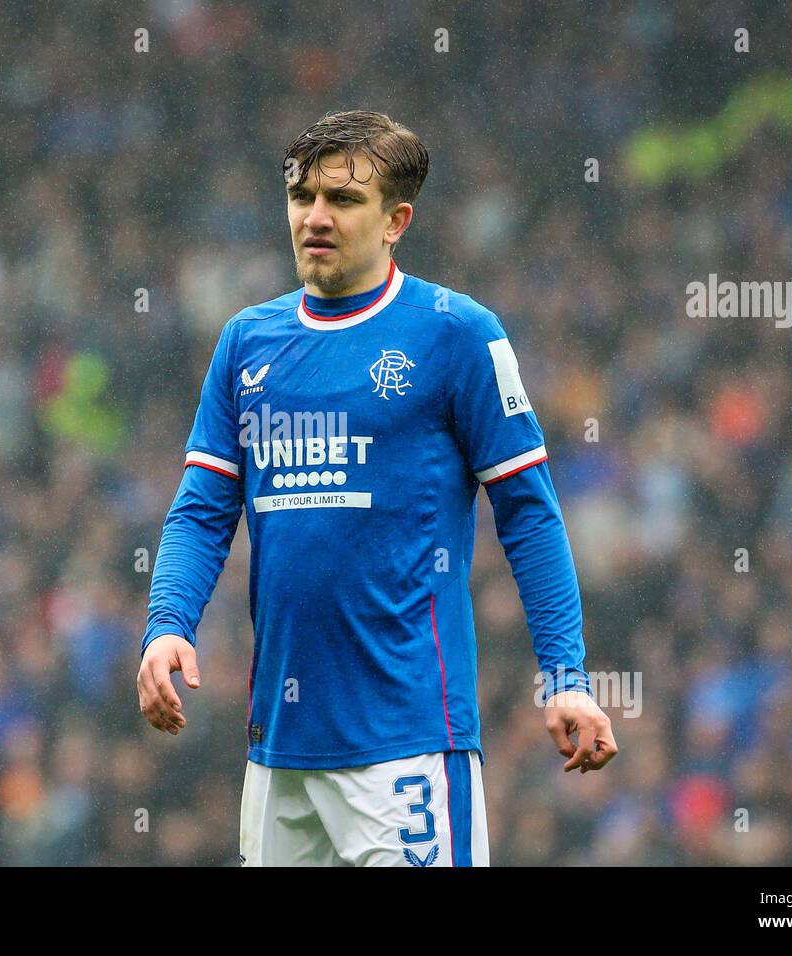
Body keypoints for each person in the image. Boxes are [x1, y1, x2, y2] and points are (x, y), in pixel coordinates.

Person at [137, 110, 617, 866]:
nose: (315, 217)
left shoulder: (457, 333)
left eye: (343, 200)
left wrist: (565, 675)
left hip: (409, 746)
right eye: (301, 197)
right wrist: (168, 625)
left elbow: (529, 514)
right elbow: (201, 512)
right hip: (278, 752)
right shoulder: (246, 343)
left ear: (397, 220)